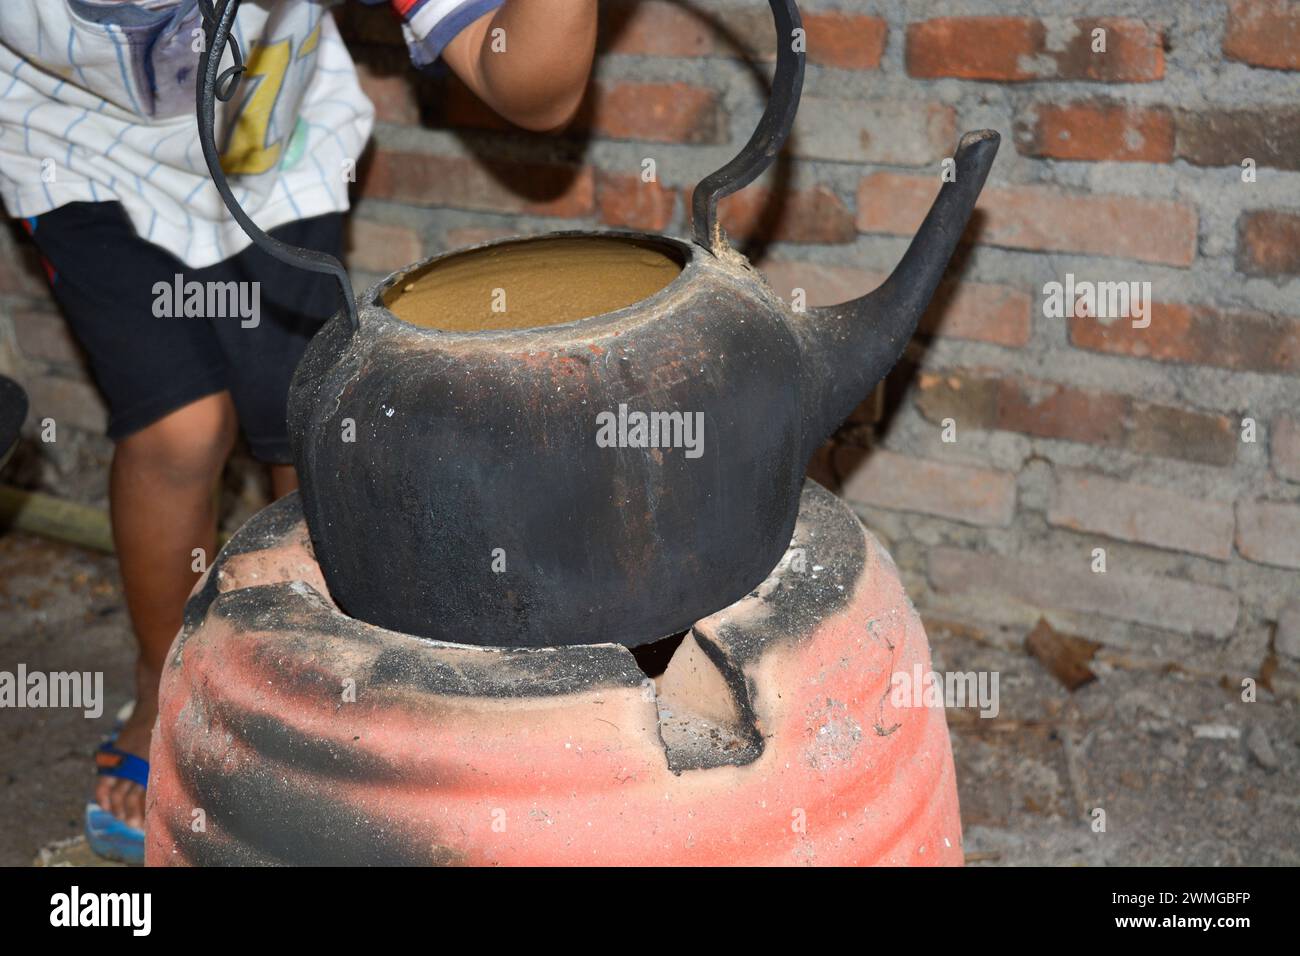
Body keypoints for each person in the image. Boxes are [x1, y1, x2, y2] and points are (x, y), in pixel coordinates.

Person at [0, 0, 596, 861]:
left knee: (302, 420)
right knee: (179, 430)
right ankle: (160, 678)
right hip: (74, 159)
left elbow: (530, 85)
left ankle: (325, 674)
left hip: (267, 151)